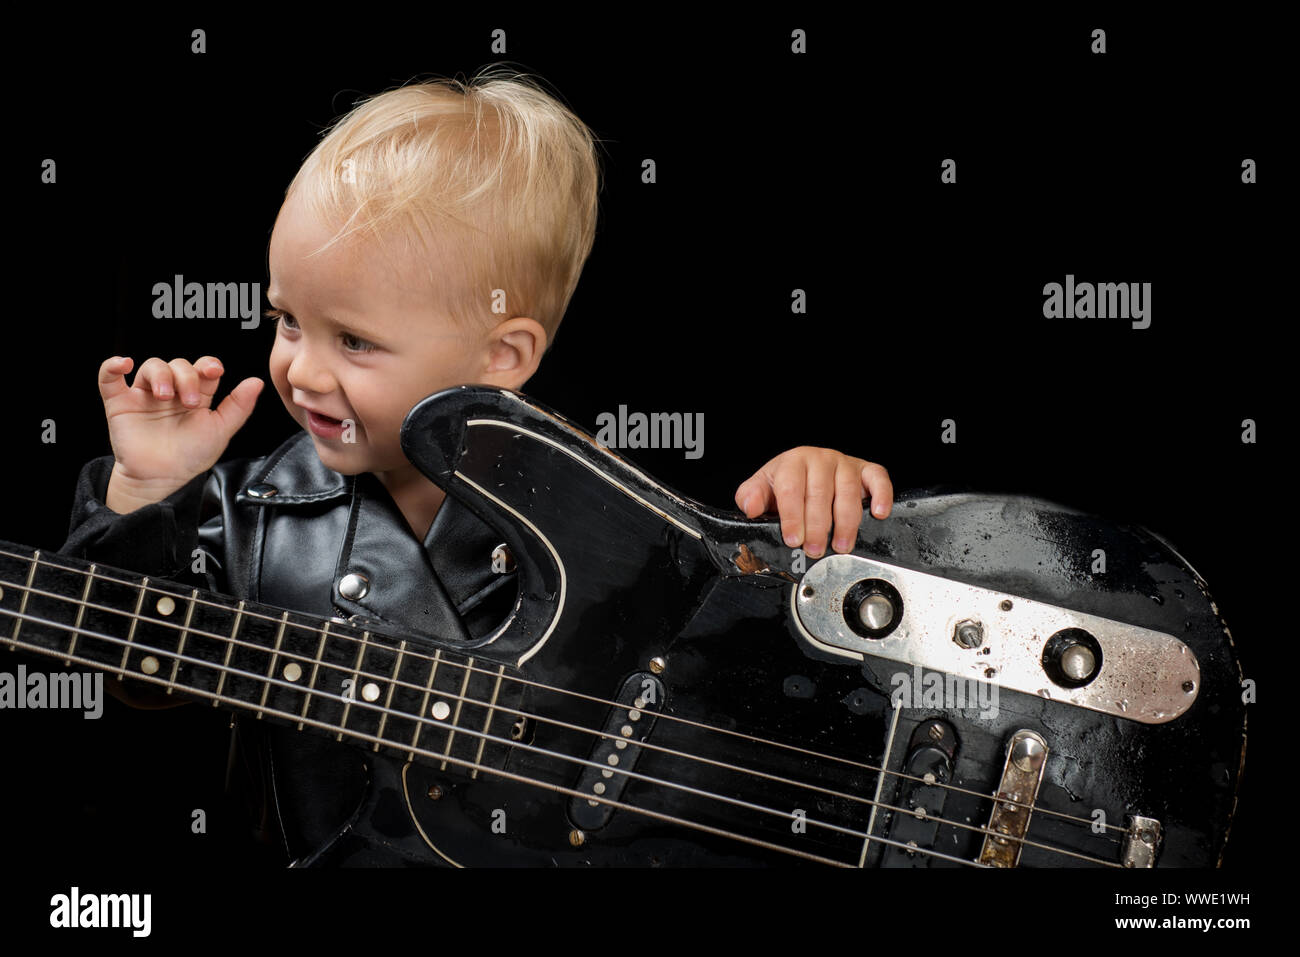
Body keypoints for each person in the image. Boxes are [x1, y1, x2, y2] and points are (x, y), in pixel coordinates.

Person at [59, 66, 893, 865]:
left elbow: (734, 667)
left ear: (503, 352)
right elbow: (131, 667)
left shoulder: (603, 518)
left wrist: (809, 514)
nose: (304, 371)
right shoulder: (247, 513)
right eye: (286, 321)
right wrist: (148, 493)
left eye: (353, 340)